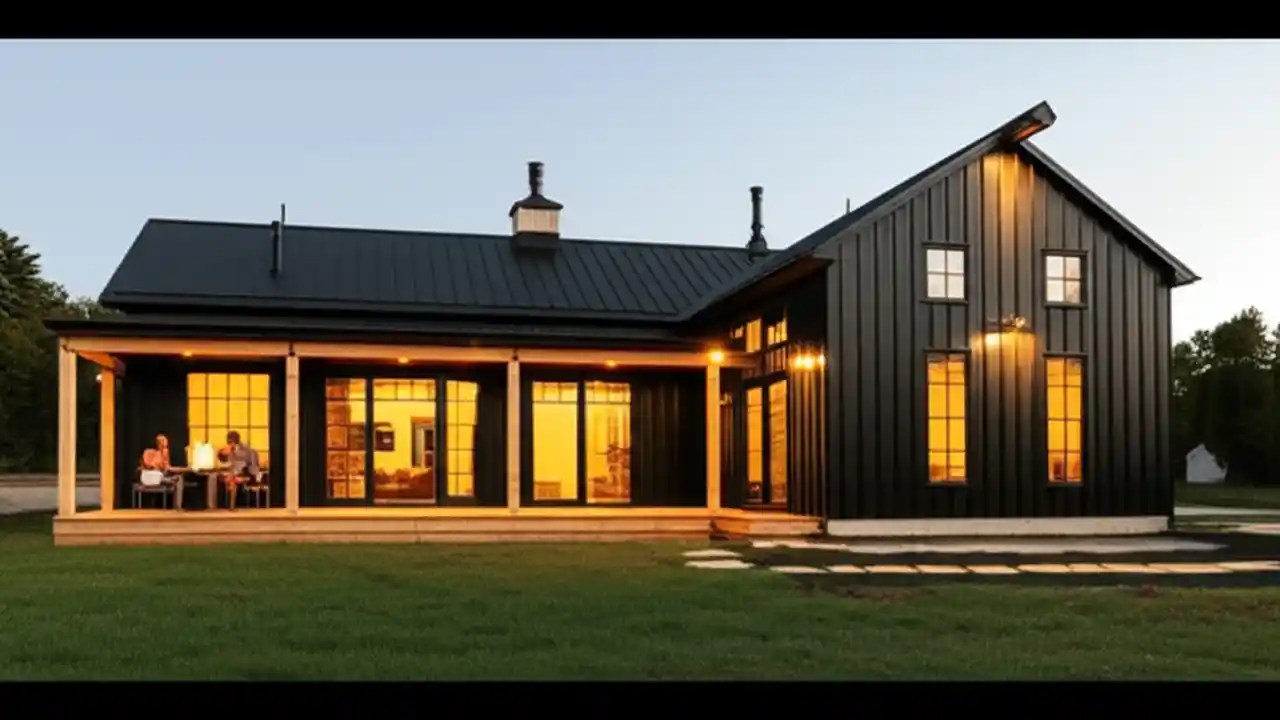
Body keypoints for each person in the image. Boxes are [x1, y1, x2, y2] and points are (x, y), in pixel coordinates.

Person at [218, 431, 261, 510]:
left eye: (231, 441)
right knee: (226, 479)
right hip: (236, 473)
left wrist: (233, 451)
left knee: (233, 480)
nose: (230, 443)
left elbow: (251, 468)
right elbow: (225, 462)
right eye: (229, 441)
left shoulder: (247, 450)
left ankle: (232, 505)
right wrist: (224, 453)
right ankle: (228, 505)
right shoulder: (230, 451)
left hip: (248, 474)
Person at [139, 434, 183, 510]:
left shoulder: (164, 453)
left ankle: (177, 506)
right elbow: (148, 465)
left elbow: (167, 468)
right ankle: (177, 505)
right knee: (174, 478)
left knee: (178, 478)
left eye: (166, 444)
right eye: (163, 443)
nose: (165, 446)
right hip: (149, 476)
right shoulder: (148, 452)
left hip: (158, 477)